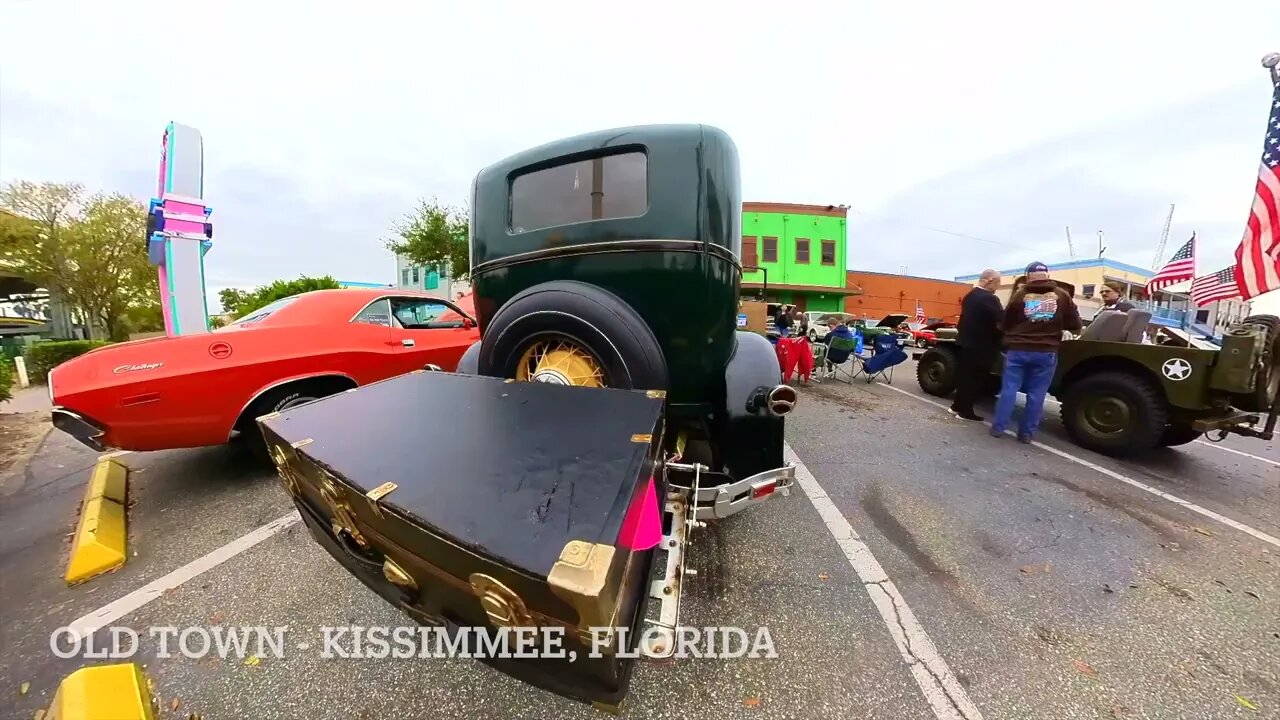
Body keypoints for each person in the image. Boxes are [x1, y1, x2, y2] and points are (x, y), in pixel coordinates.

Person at [991, 262, 1083, 443]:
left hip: (1018, 349)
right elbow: (1075, 324)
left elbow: (1005, 322)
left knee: (1009, 389)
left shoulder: (1020, 295)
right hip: (1046, 351)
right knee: (1037, 394)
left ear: (1029, 276)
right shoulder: (1062, 295)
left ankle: (998, 428)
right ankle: (1026, 434)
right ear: (1047, 275)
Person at [951, 269, 1003, 421]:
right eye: (998, 282)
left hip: (966, 342)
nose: (998, 287)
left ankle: (957, 405)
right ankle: (966, 411)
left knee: (965, 377)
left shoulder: (970, 296)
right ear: (990, 280)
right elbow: (1001, 319)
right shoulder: (989, 299)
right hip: (983, 346)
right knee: (976, 380)